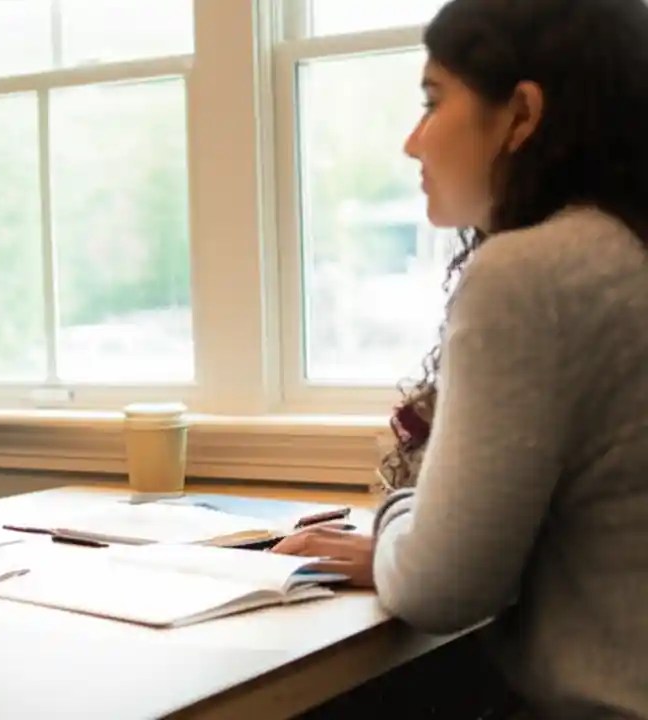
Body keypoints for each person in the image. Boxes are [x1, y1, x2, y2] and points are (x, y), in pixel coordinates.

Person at [276, 0, 648, 716]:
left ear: (522, 115)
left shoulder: (533, 272)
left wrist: (397, 521)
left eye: (433, 101)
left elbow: (444, 588)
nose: (413, 143)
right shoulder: (624, 252)